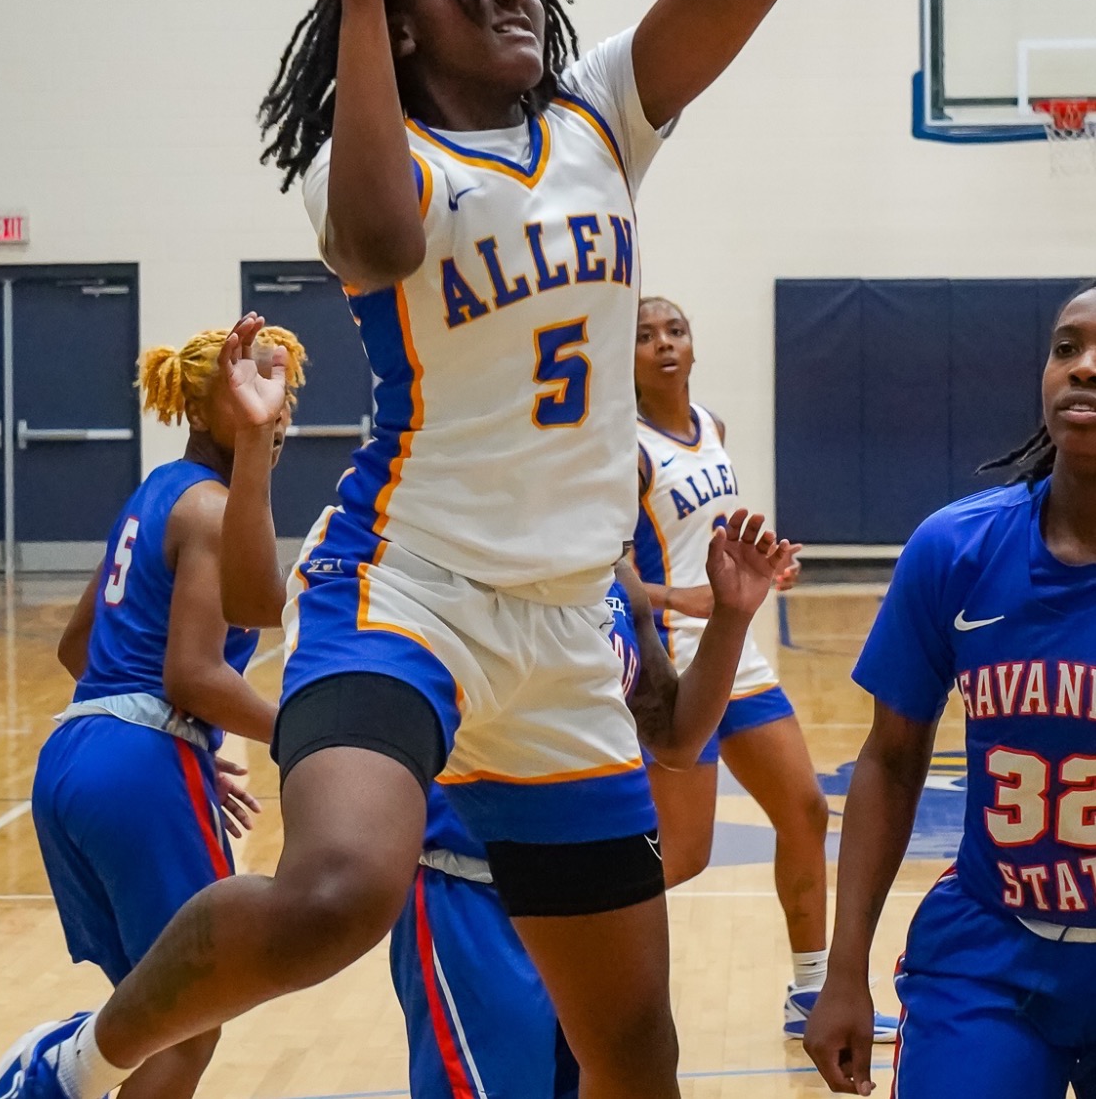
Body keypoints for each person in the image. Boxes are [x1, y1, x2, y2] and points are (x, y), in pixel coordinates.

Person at [0, 0, 794, 1099]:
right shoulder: (378, 151)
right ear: (403, 23)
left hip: (563, 629)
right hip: (400, 586)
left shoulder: (602, 110)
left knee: (633, 1054)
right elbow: (372, 237)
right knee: (339, 890)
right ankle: (79, 1066)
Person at [803, 280, 1096, 1098]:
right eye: (1066, 348)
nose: (1083, 368)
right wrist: (845, 970)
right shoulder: (956, 549)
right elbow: (893, 763)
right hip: (989, 954)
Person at [20, 316, 306, 1099]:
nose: (279, 407)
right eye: (258, 384)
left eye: (285, 387)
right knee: (190, 1017)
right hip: (133, 767)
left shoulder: (155, 493)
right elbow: (193, 676)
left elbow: (79, 649)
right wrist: (308, 733)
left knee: (153, 1013)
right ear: (208, 406)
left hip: (76, 754)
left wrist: (173, 740)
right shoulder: (214, 508)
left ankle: (57, 1072)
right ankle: (45, 1071)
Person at [392, 547, 791, 1099]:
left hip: (592, 901)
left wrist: (732, 614)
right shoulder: (454, 554)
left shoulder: (615, 576)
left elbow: (674, 737)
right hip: (474, 890)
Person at [630, 296, 899, 1040]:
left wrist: (759, 567)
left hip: (733, 648)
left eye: (675, 330)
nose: (663, 345)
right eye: (645, 336)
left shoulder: (711, 425)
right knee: (682, 853)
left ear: (694, 342)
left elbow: (706, 541)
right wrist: (675, 594)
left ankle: (811, 990)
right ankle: (561, 956)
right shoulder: (625, 448)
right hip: (674, 665)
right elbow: (602, 568)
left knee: (806, 810)